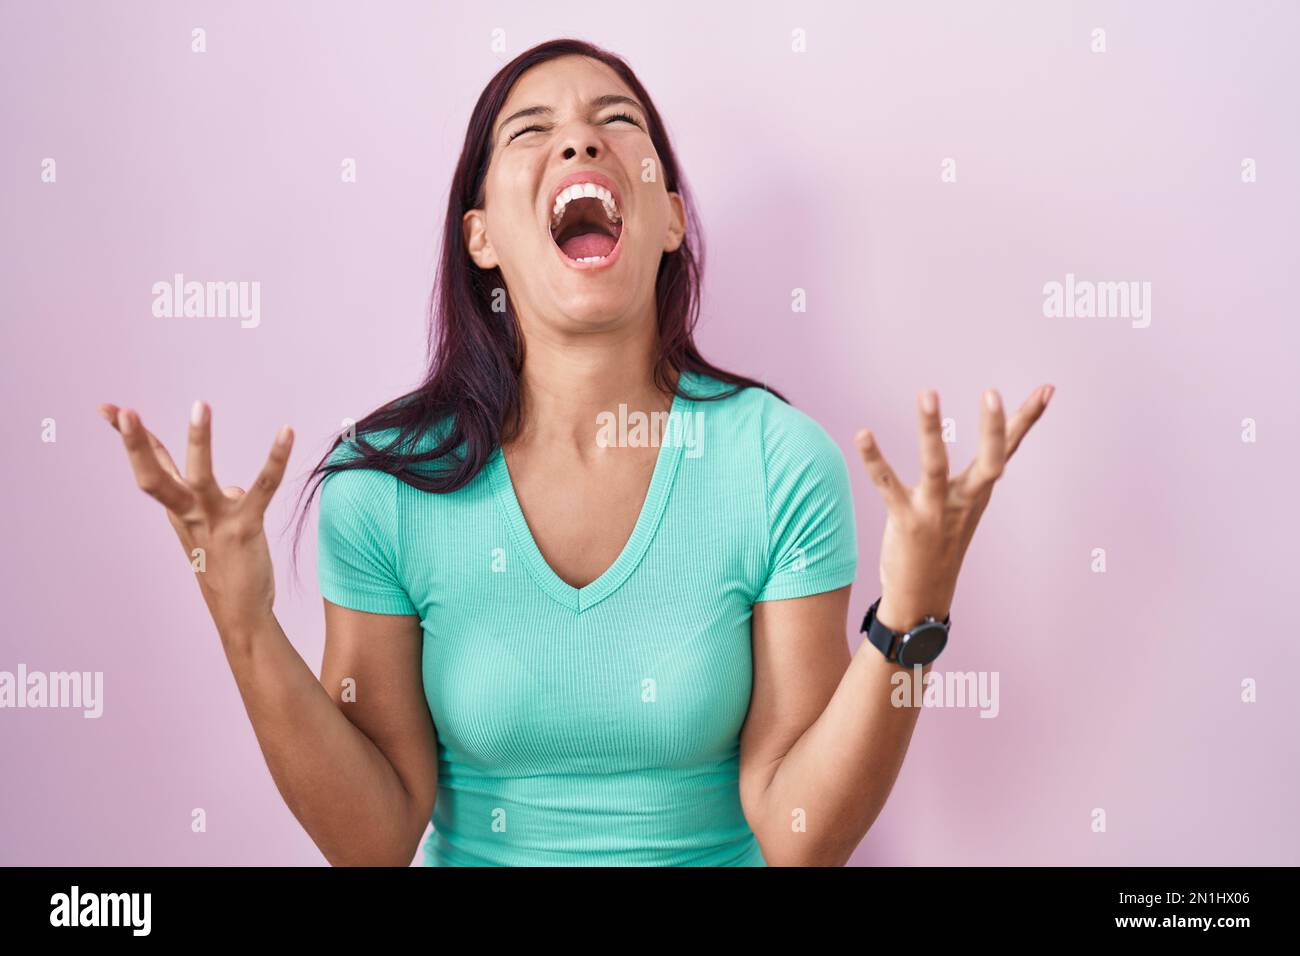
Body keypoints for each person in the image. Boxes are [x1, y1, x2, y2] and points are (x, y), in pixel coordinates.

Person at [99, 38, 1052, 866]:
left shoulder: (776, 461)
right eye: (530, 131)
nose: (582, 139)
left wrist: (915, 614)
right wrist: (245, 623)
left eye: (616, 121)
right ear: (480, 239)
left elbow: (802, 835)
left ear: (670, 219)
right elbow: (373, 838)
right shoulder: (387, 484)